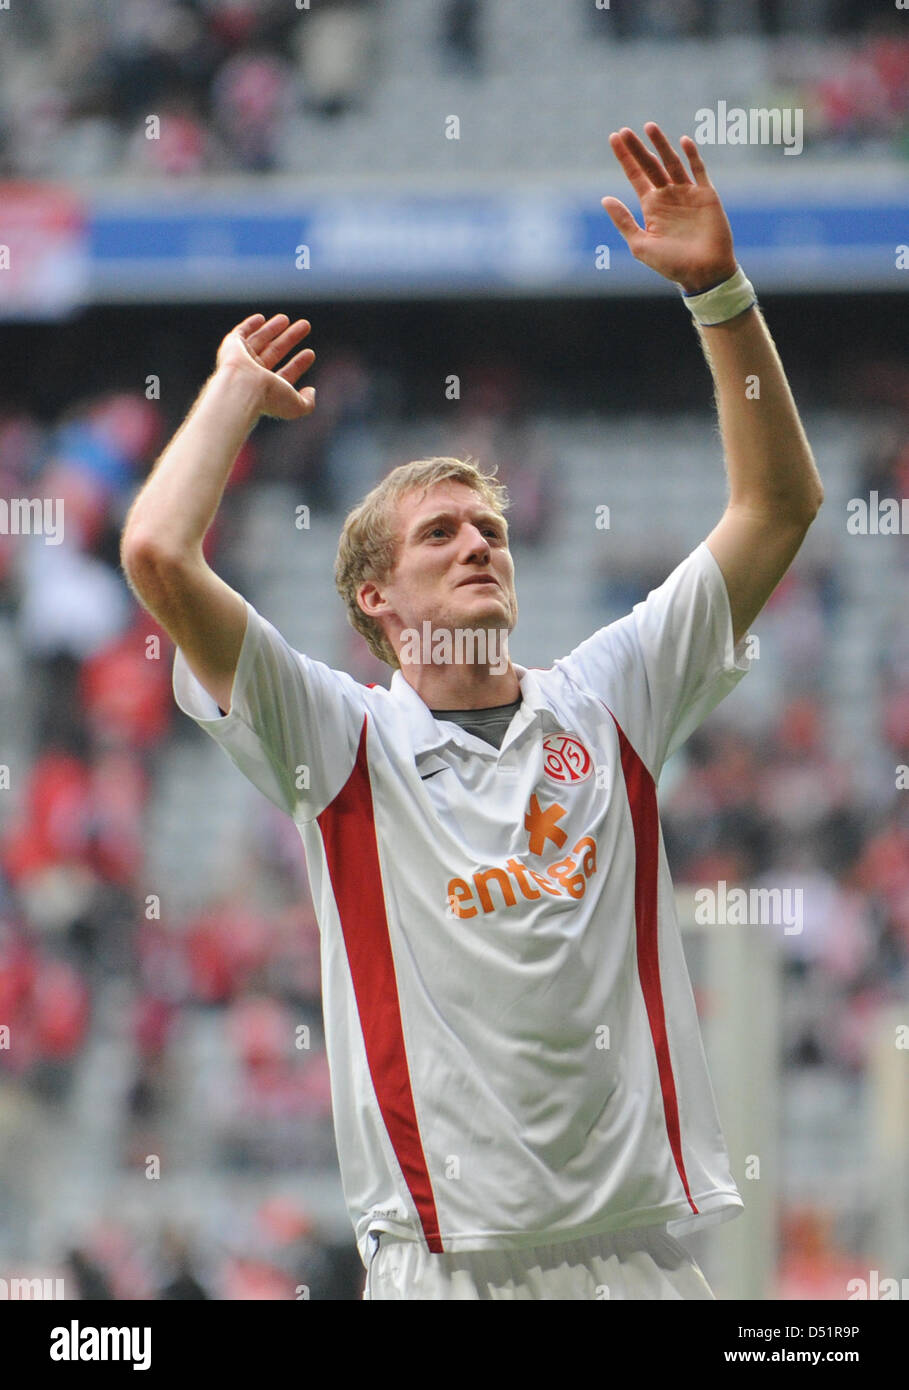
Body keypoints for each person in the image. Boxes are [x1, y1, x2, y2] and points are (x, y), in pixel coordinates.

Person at [120, 123, 823, 1299]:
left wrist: (719, 293)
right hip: (447, 1268)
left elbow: (779, 505)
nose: (478, 543)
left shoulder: (612, 694)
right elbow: (155, 549)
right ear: (374, 599)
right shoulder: (339, 744)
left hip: (641, 1261)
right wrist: (234, 396)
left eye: (489, 527)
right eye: (439, 533)